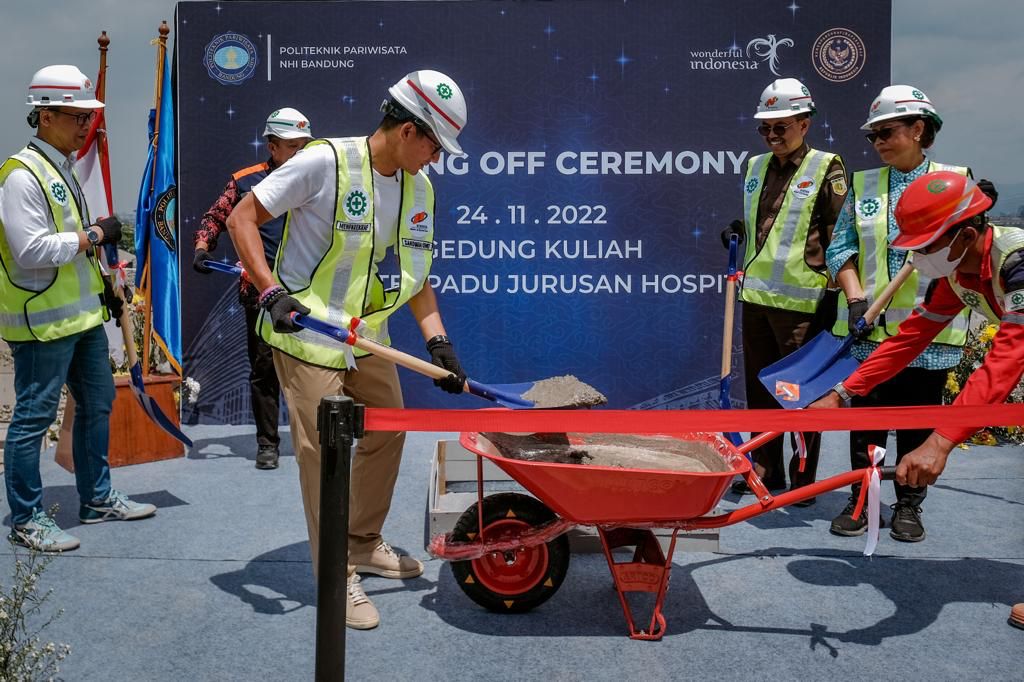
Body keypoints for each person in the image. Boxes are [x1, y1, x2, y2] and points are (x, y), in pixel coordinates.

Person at [226, 69, 468, 630]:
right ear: (409, 130)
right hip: (306, 333)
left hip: (367, 338)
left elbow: (417, 278)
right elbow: (243, 218)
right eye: (435, 144)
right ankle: (335, 573)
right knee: (324, 453)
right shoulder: (323, 162)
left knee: (389, 430)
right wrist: (271, 292)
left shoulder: (419, 189)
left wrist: (439, 343)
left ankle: (360, 541)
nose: (436, 159)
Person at [811, 170, 1023, 630]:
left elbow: (1008, 355)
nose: (917, 256)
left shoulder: (1016, 263)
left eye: (925, 245)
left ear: (966, 235)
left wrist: (940, 441)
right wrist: (844, 392)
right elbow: (911, 339)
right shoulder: (959, 273)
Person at [0, 65, 156, 552]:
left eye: (88, 118)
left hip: (82, 317)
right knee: (33, 418)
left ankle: (96, 498)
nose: (87, 127)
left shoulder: (59, 169)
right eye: (77, 117)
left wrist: (109, 288)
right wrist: (92, 234)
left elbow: (75, 252)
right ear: (44, 116)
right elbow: (30, 250)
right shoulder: (20, 177)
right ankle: (26, 519)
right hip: (41, 323)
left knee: (97, 404)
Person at [825, 85, 973, 542]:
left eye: (887, 132)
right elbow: (841, 247)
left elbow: (967, 246)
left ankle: (909, 505)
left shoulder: (956, 179)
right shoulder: (865, 184)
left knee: (916, 422)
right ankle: (863, 496)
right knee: (865, 420)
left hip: (931, 333)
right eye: (873, 136)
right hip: (873, 330)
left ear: (918, 129)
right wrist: (853, 300)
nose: (878, 142)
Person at [722, 77, 847, 506]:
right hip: (756, 298)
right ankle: (765, 467)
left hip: (802, 305)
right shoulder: (755, 167)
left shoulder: (827, 167)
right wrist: (740, 232)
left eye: (781, 127)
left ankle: (801, 479)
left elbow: (836, 236)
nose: (773, 136)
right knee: (759, 391)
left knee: (799, 395)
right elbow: (766, 227)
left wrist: (836, 295)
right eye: (765, 128)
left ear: (805, 123)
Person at [193, 108, 314, 470]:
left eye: (305, 146)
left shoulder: (320, 179)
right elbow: (216, 217)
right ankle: (267, 444)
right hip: (260, 291)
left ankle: (319, 438)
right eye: (293, 146)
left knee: (316, 364)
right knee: (264, 368)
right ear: (273, 146)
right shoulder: (246, 181)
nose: (301, 153)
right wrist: (202, 247)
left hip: (310, 291)